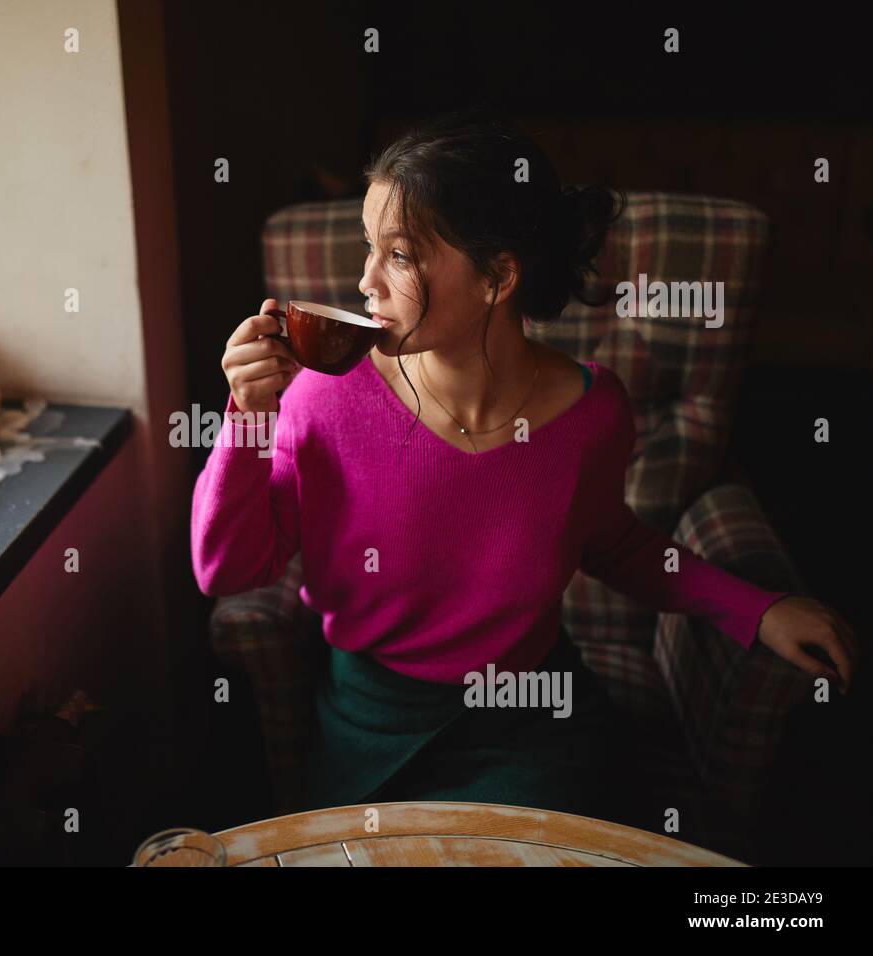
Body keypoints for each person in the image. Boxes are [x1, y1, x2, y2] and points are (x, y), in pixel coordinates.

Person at [190, 107, 859, 827]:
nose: (365, 282)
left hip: (531, 719)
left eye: (401, 254)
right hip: (369, 724)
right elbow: (225, 572)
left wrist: (757, 608)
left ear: (497, 277)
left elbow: (618, 546)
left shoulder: (592, 412)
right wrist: (246, 416)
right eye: (367, 248)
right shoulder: (322, 400)